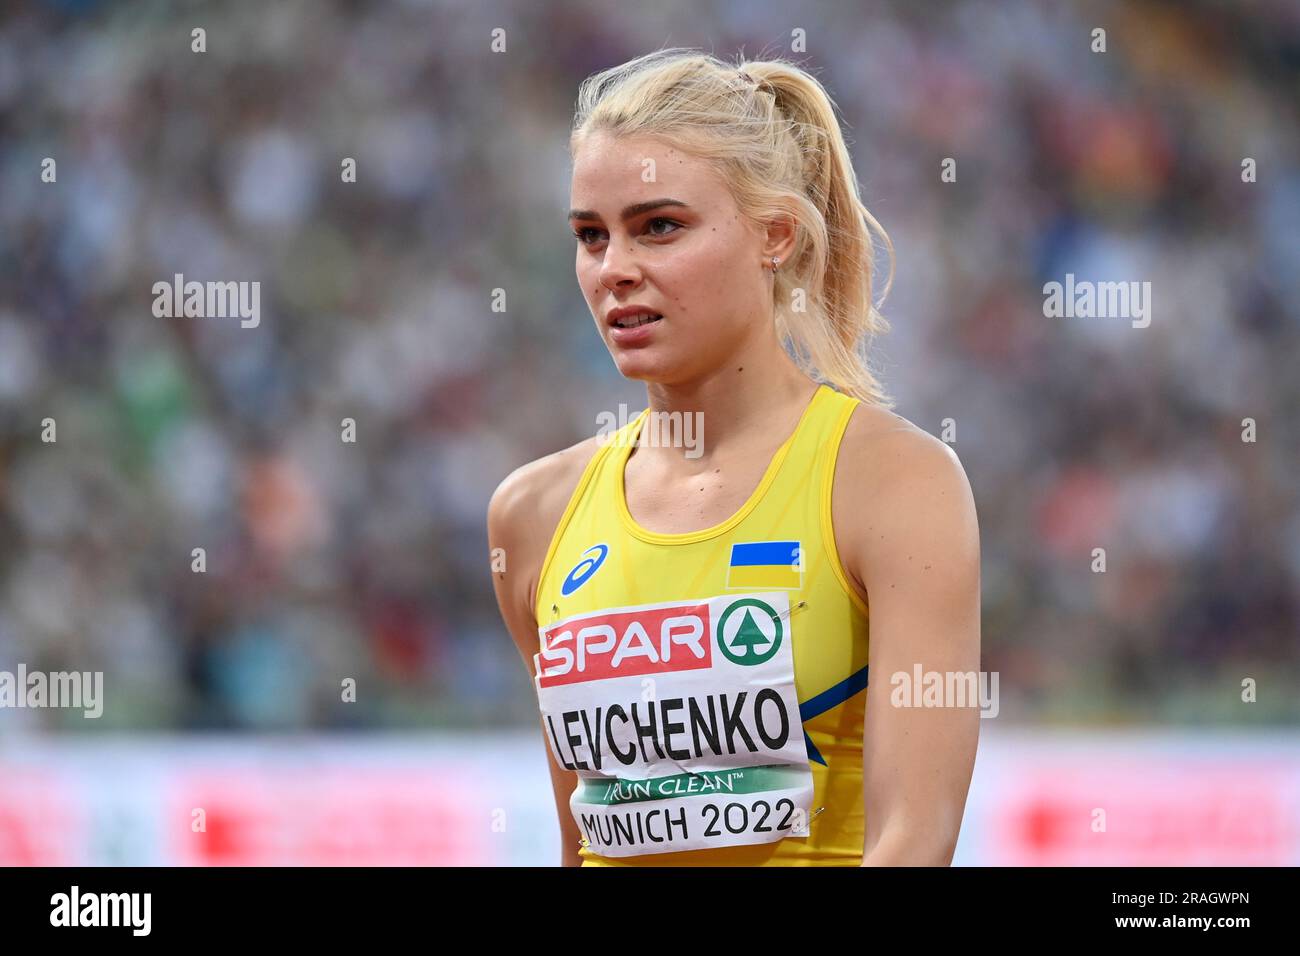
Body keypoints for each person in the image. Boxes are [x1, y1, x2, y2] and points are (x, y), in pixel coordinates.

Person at [488, 49, 980, 866]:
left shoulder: (894, 482)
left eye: (660, 226)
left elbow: (916, 839)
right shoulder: (533, 515)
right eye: (590, 236)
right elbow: (583, 844)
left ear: (775, 235)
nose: (615, 270)